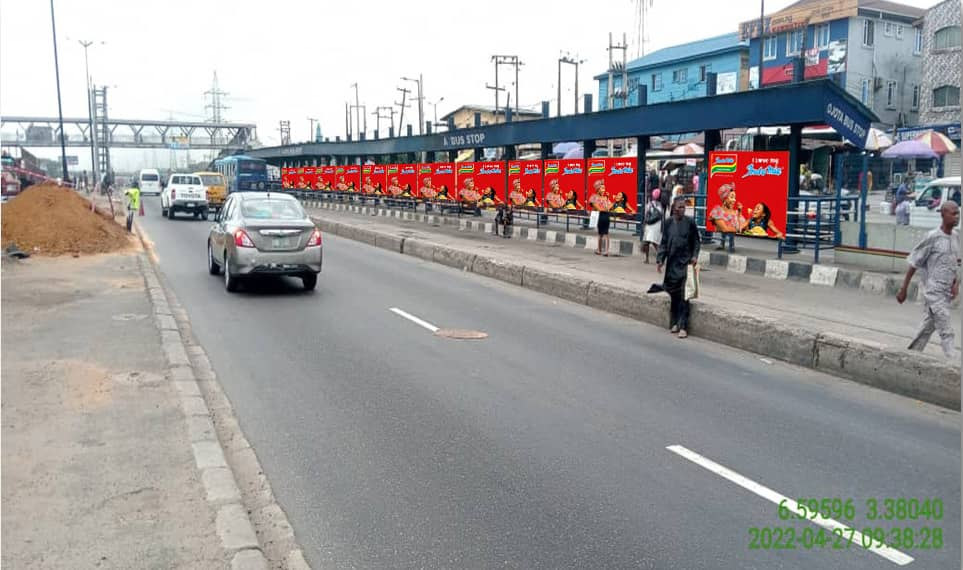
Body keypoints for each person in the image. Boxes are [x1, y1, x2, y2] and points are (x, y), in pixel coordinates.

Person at [897, 200, 960, 358]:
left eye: (958, 213)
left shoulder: (956, 237)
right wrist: (903, 288)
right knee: (946, 330)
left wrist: (956, 284)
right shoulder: (932, 237)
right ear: (943, 214)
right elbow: (914, 262)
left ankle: (910, 356)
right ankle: (954, 363)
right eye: (953, 213)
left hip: (945, 293)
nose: (957, 217)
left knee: (927, 327)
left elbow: (955, 263)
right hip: (933, 292)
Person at [657, 197, 701, 339]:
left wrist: (694, 256)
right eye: (679, 207)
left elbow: (696, 242)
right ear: (673, 208)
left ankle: (683, 326)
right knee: (674, 295)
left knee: (684, 297)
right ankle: (675, 322)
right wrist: (660, 260)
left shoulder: (690, 223)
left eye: (684, 207)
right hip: (672, 265)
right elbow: (663, 243)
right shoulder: (669, 223)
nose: (682, 210)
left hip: (686, 265)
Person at [708, 183, 744, 251]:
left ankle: (731, 246)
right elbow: (711, 218)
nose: (734, 200)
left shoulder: (735, 212)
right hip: (725, 227)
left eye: (734, 197)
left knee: (731, 235)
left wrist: (740, 212)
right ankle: (723, 244)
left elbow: (740, 224)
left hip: (731, 228)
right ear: (724, 198)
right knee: (724, 233)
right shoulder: (718, 210)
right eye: (731, 197)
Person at [642, 188, 664, 263]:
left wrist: (644, 224)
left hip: (649, 225)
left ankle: (647, 259)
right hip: (657, 225)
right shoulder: (661, 205)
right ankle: (660, 258)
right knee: (654, 243)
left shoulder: (650, 204)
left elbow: (646, 214)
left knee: (647, 242)